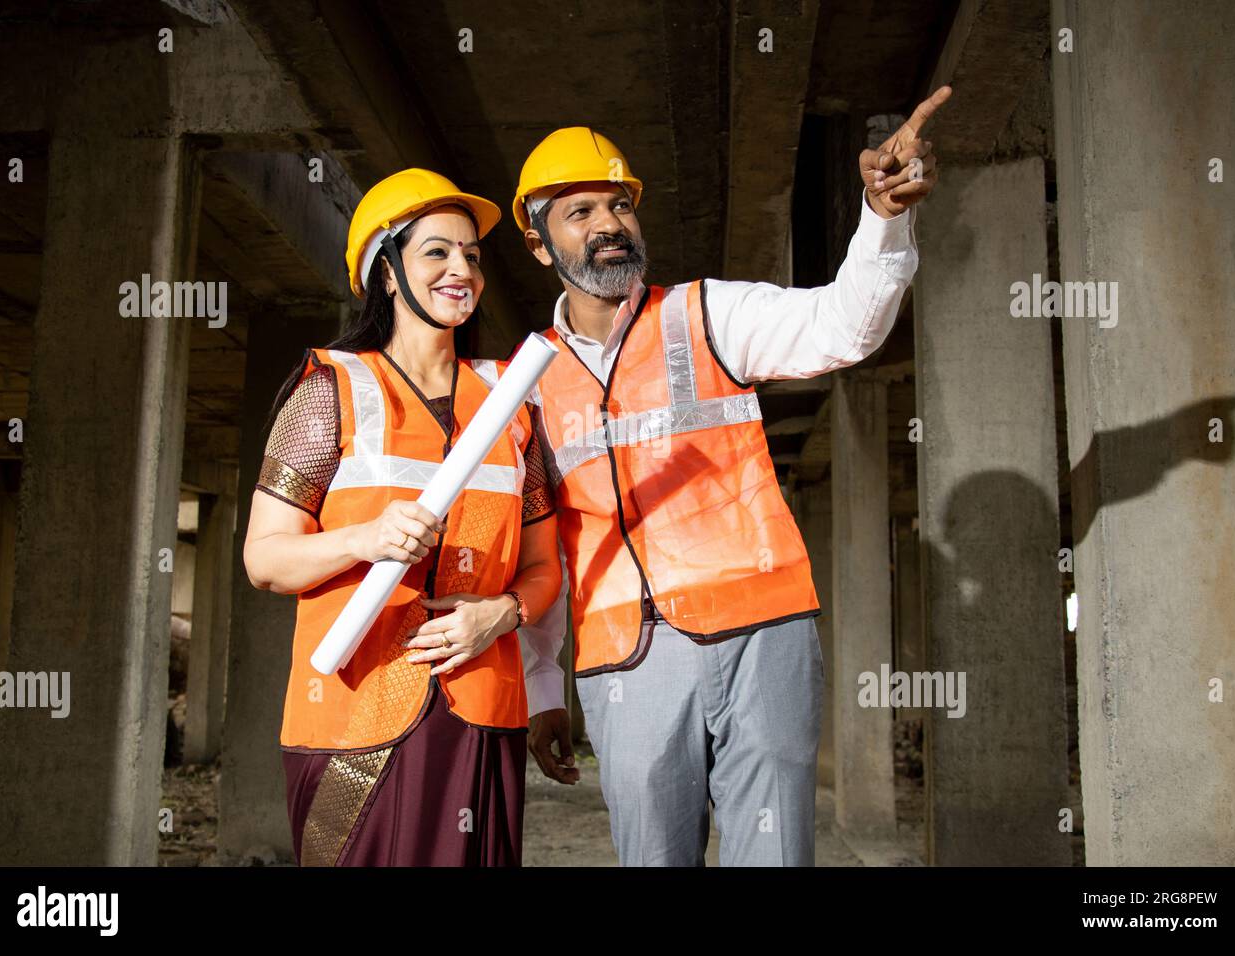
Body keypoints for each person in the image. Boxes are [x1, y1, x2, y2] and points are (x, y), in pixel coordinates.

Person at [513, 89, 950, 866]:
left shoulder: (707, 314)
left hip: (761, 634)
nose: (608, 223)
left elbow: (845, 325)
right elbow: (543, 543)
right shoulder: (526, 380)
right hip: (626, 661)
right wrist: (543, 686)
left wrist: (882, 217)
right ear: (540, 244)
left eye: (619, 205)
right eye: (579, 212)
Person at [243, 168, 561, 867]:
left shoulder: (511, 405)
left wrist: (500, 614)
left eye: (472, 256)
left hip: (481, 710)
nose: (462, 270)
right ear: (387, 273)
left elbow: (545, 570)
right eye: (437, 252)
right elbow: (265, 561)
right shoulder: (329, 390)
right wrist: (363, 538)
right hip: (351, 714)